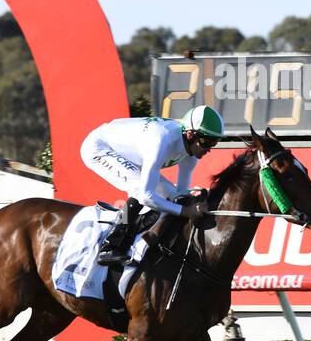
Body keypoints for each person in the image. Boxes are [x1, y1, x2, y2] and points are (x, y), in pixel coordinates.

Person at [80, 105, 225, 265]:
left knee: (169, 194)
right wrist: (185, 211)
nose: (209, 149)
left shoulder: (192, 153)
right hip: (99, 147)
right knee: (138, 188)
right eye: (206, 142)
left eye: (214, 143)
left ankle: (139, 236)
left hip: (128, 152)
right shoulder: (161, 141)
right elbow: (146, 196)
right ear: (190, 134)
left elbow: (180, 194)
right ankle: (110, 246)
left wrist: (192, 203)